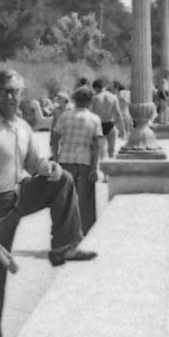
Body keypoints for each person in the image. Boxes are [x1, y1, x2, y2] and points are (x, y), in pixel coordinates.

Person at [0, 69, 96, 337]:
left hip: (15, 195)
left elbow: (34, 163)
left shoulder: (22, 127)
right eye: (4, 92)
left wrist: (49, 169)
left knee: (63, 181)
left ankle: (64, 247)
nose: (10, 97)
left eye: (15, 91)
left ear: (22, 94)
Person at [50, 85, 104, 235]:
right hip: (85, 162)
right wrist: (94, 168)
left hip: (65, 161)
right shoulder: (94, 119)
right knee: (85, 200)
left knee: (65, 198)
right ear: (90, 101)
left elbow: (55, 138)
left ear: (74, 100)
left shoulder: (65, 116)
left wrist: (56, 159)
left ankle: (65, 232)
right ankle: (84, 232)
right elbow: (96, 146)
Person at [91, 77, 126, 159]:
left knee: (99, 151)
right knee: (111, 152)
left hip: (99, 125)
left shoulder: (95, 98)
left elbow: (92, 115)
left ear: (96, 88)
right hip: (110, 124)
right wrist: (122, 129)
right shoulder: (113, 97)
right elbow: (118, 114)